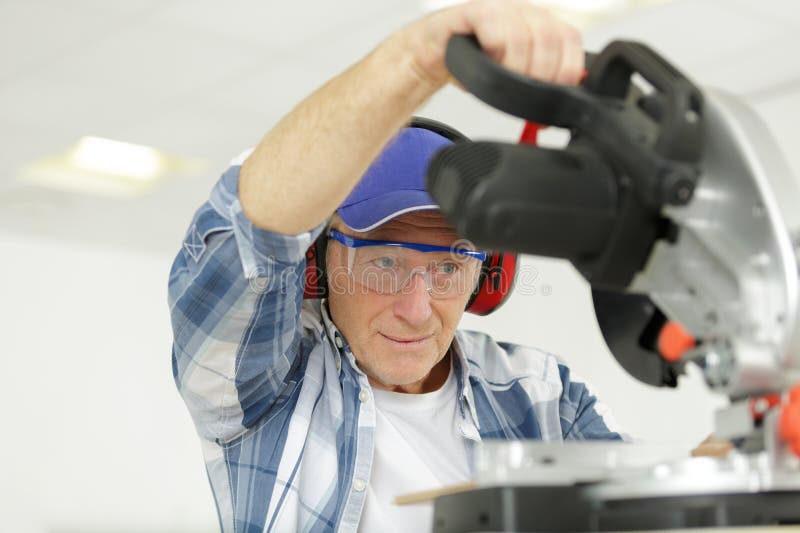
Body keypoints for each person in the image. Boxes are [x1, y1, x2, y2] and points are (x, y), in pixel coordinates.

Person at [168, 1, 627, 531]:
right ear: (319, 263)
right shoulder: (264, 385)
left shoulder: (544, 393)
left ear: (487, 277)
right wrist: (418, 59)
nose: (416, 309)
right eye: (384, 262)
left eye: (449, 268)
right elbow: (252, 230)